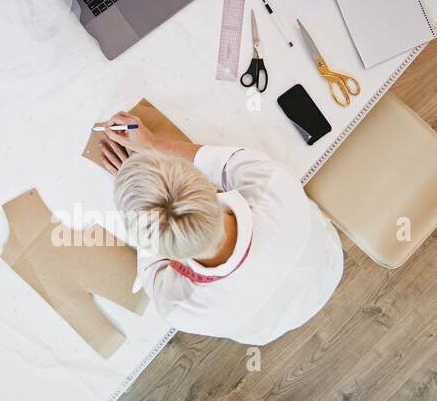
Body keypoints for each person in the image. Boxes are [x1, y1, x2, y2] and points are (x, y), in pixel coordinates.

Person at [99, 111, 344, 345]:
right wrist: (153, 146)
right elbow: (221, 162)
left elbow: (150, 262)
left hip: (269, 326)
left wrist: (133, 187)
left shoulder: (179, 308)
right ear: (208, 183)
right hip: (327, 269)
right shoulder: (274, 186)